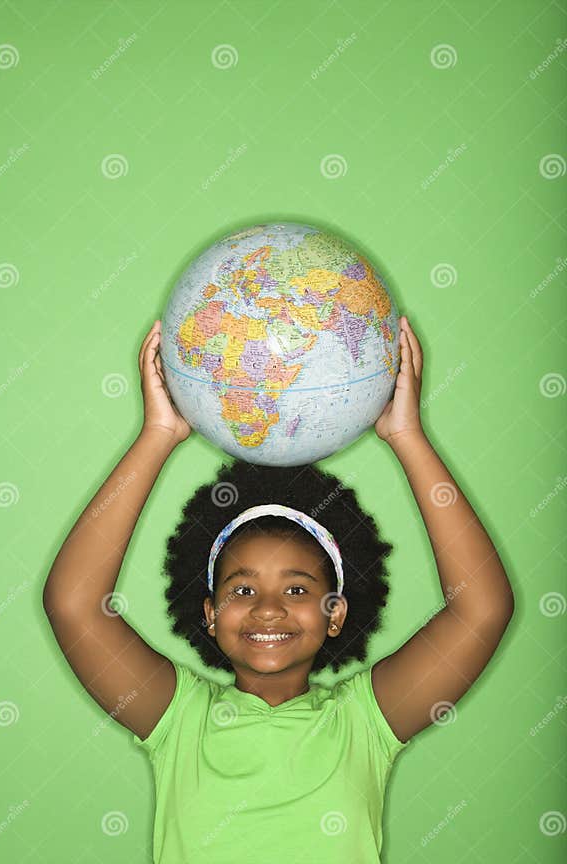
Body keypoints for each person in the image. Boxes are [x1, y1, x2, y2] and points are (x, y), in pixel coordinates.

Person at [42, 315, 515, 863]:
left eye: (296, 590)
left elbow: (482, 610)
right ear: (210, 613)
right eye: (242, 591)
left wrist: (408, 437)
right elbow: (74, 605)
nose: (268, 609)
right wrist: (158, 436)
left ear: (335, 612)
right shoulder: (179, 720)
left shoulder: (364, 722)